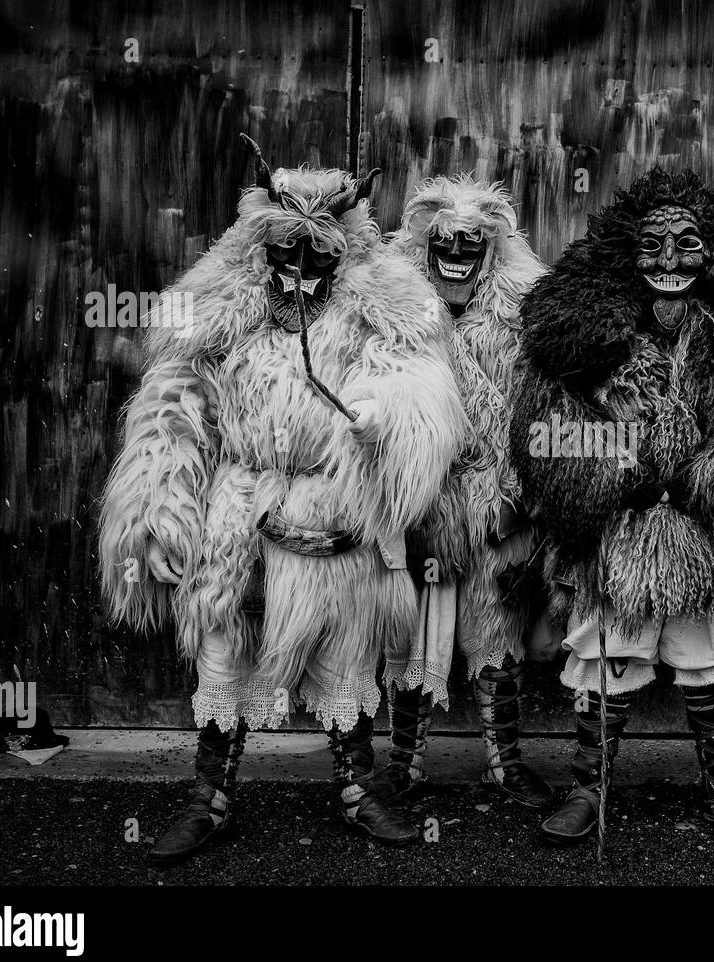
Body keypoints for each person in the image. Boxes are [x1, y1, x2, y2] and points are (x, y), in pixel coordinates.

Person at [98, 136, 465, 862]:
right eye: (285, 256)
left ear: (344, 256)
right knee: (222, 648)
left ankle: (359, 788)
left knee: (344, 656)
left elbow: (419, 378)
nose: (299, 273)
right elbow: (172, 402)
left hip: (330, 505)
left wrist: (381, 411)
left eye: (319, 259)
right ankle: (210, 794)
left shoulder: (379, 305)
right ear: (263, 249)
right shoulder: (220, 309)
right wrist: (154, 507)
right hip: (240, 505)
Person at [510, 169, 714, 845]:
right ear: (627, 249)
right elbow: (551, 422)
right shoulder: (587, 334)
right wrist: (616, 475)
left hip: (709, 535)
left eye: (687, 243)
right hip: (618, 532)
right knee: (603, 652)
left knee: (711, 652)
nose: (670, 261)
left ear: (713, 250)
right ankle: (590, 786)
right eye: (654, 245)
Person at [375, 176, 552, 808]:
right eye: (445, 243)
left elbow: (540, 412)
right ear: (426, 247)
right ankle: (404, 763)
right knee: (413, 634)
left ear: (490, 250)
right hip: (418, 499)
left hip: (494, 502)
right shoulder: (396, 320)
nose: (457, 251)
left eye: (471, 244)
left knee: (495, 629)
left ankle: (505, 761)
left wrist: (520, 497)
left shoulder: (521, 322)